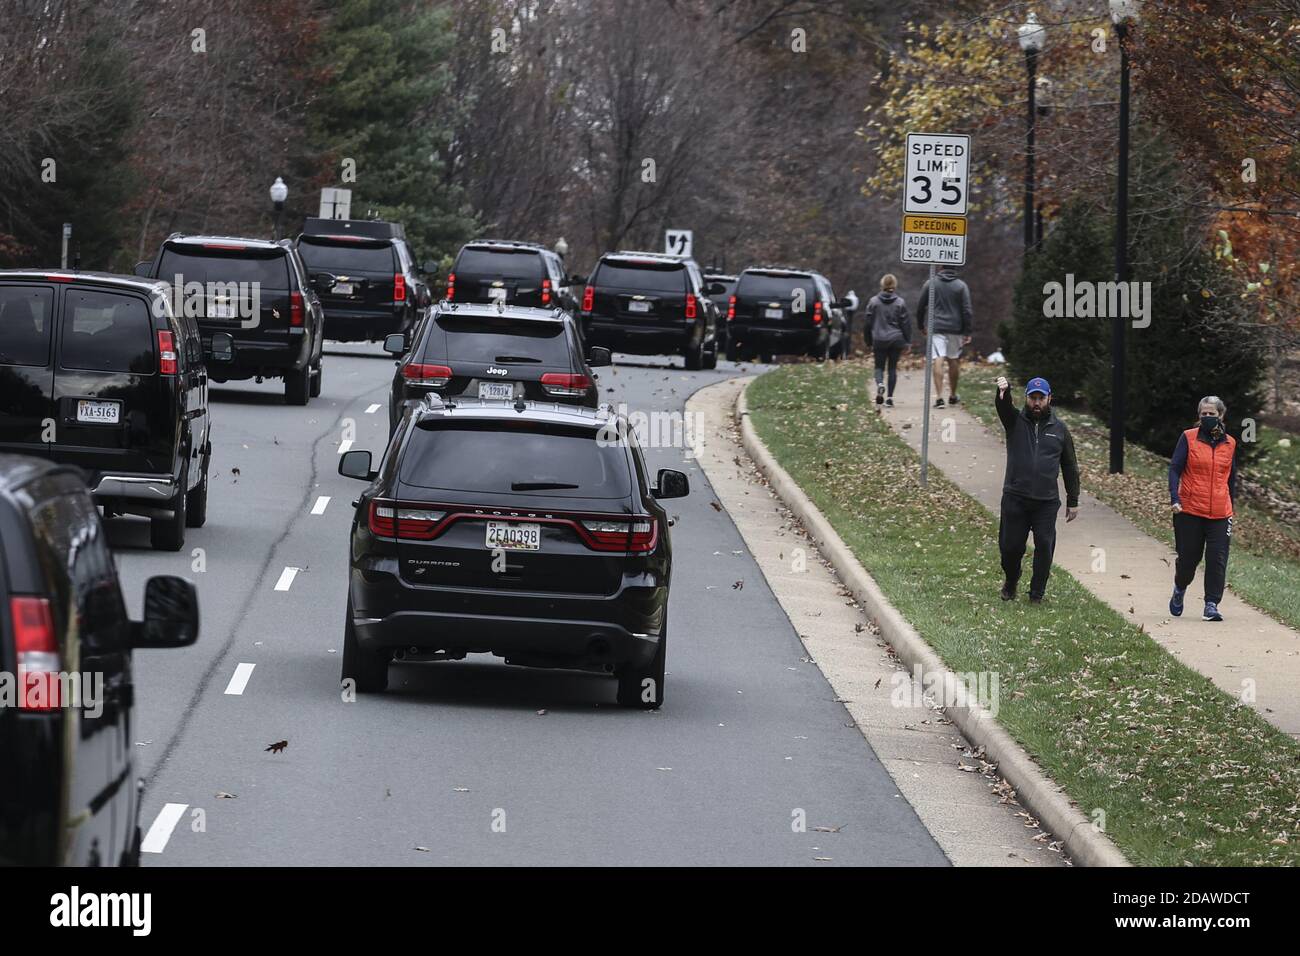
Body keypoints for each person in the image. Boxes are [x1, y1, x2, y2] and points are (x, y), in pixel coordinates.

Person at [995, 375, 1080, 603]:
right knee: (1010, 548)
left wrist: (1073, 499)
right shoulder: (1014, 421)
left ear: (1049, 399)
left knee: (1044, 544)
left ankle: (1036, 594)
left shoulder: (1059, 429)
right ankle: (1012, 579)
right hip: (1015, 497)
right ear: (1026, 398)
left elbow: (1070, 464)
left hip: (1046, 501)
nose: (1036, 403)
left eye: (1041, 398)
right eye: (1032, 398)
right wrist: (1003, 392)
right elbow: (1003, 407)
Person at [1167, 396, 1239, 622]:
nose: (1208, 418)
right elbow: (1175, 469)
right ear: (1199, 416)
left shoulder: (1230, 443)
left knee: (1217, 559)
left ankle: (1211, 604)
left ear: (1221, 416)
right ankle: (1180, 588)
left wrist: (1231, 507)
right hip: (1190, 509)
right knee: (1189, 559)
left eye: (1212, 414)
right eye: (1204, 414)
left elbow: (1231, 479)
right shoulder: (1188, 438)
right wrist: (1175, 497)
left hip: (1220, 512)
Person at [916, 266, 973, 407]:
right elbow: (967, 310)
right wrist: (967, 331)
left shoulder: (931, 283)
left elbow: (921, 306)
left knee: (938, 358)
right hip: (956, 327)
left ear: (941, 267)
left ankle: (939, 397)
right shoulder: (961, 286)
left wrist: (920, 325)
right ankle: (953, 395)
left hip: (936, 327)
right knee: (953, 359)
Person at [865, 274, 911, 406]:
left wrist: (868, 340)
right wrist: (907, 341)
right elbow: (905, 324)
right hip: (896, 339)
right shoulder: (900, 303)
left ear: (882, 285)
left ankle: (880, 384)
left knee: (879, 366)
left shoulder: (873, 302)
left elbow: (868, 324)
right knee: (892, 368)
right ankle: (890, 398)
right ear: (894, 286)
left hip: (879, 339)